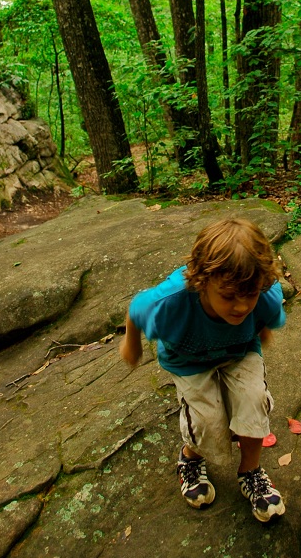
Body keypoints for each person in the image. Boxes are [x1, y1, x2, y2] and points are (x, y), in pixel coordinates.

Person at [120, 216, 286, 523]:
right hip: (188, 359)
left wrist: (261, 329)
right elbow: (136, 308)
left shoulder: (264, 295)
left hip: (239, 351)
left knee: (253, 401)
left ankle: (250, 471)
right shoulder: (172, 301)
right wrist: (132, 345)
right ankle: (191, 457)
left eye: (249, 295)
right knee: (208, 421)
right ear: (202, 281)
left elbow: (266, 318)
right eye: (228, 296)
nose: (240, 307)